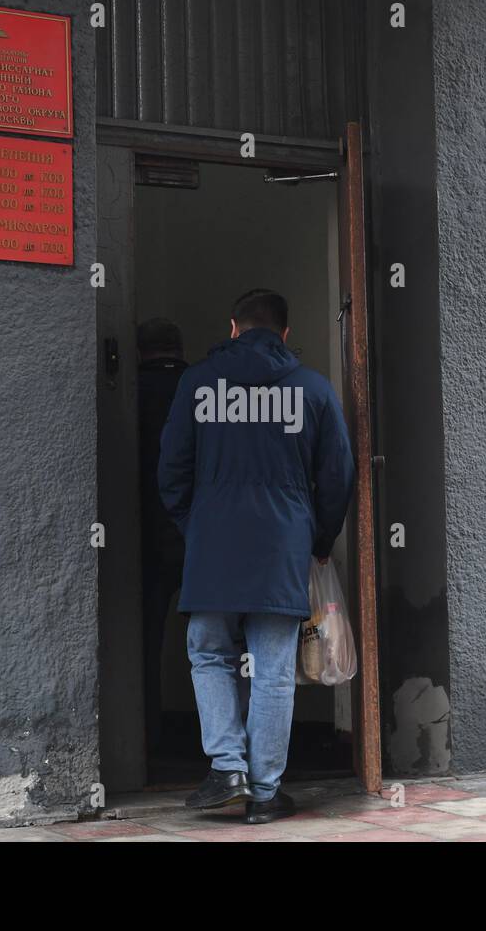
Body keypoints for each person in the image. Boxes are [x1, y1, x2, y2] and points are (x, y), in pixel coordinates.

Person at [157, 288, 354, 824]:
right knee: (272, 671)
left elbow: (171, 473)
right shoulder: (312, 389)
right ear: (285, 334)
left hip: (214, 544)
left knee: (208, 652)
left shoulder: (196, 383)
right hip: (283, 546)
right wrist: (317, 542)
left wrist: (195, 527)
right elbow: (338, 476)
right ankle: (265, 793)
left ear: (233, 327)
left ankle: (227, 767)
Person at [135, 318, 189, 757]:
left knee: (145, 644)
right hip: (200, 538)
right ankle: (221, 752)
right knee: (218, 646)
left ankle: (146, 742)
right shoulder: (200, 388)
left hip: (145, 536)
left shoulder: (129, 391)